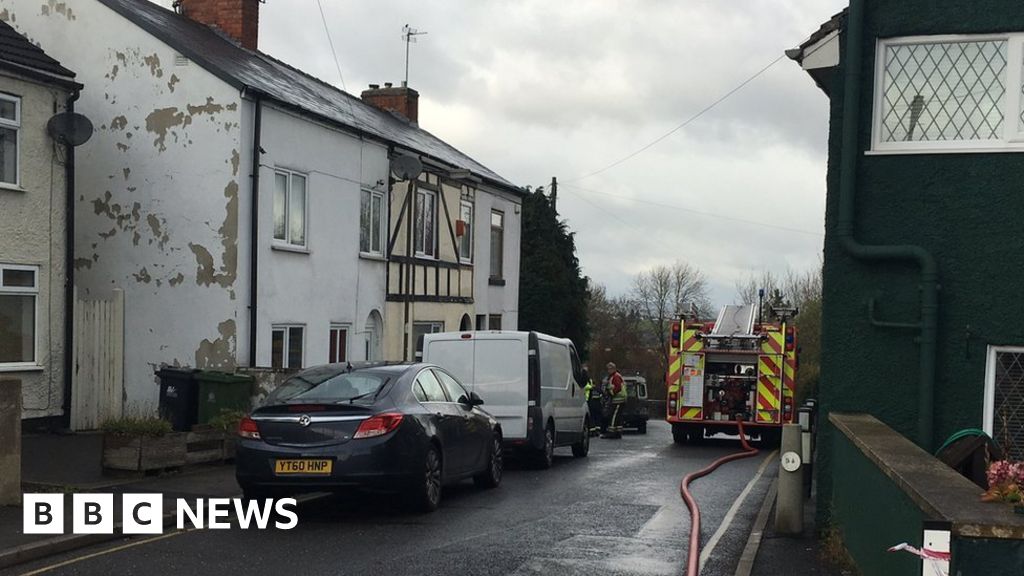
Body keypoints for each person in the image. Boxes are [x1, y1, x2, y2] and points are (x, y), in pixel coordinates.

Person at [601, 362, 627, 439]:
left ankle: (611, 432)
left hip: (618, 399)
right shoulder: (616, 376)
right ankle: (618, 432)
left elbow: (618, 387)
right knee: (618, 416)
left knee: (614, 416)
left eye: (609, 369)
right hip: (619, 399)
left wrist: (611, 393)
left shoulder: (615, 376)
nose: (608, 371)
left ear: (613, 369)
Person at [581, 364, 602, 435]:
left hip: (587, 400)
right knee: (595, 416)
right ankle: (595, 430)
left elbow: (585, 387)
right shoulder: (589, 380)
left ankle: (593, 430)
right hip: (591, 400)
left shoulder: (586, 379)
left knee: (592, 416)